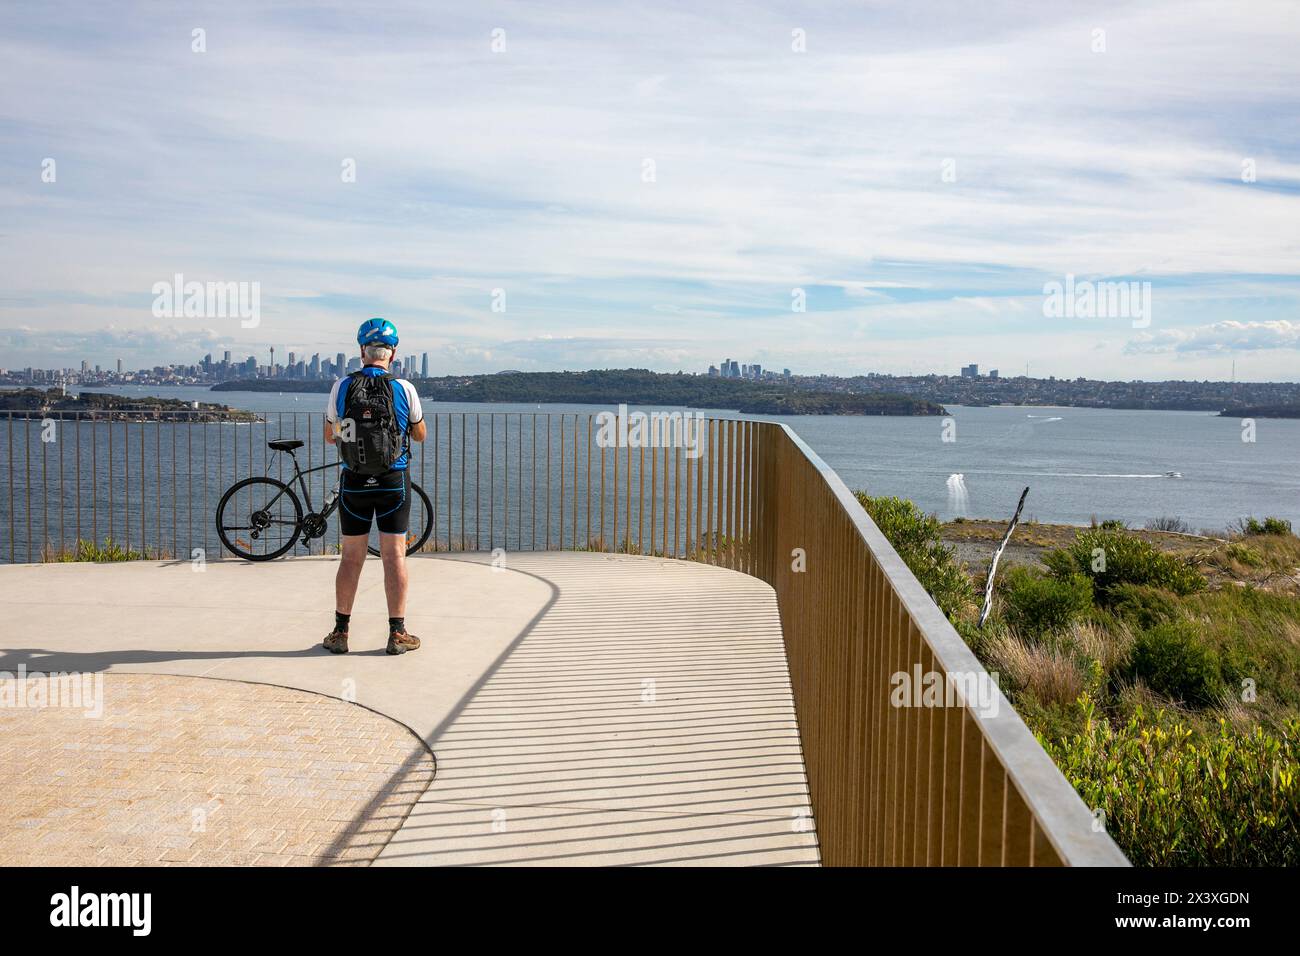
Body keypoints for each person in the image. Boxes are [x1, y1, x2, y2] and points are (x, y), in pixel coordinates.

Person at [322, 318, 427, 655]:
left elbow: (330, 436)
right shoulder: (404, 388)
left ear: (362, 351)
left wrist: (357, 436)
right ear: (392, 353)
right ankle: (397, 634)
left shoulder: (341, 387)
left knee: (351, 557)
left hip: (353, 481)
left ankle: (340, 633)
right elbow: (420, 435)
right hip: (392, 481)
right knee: (394, 555)